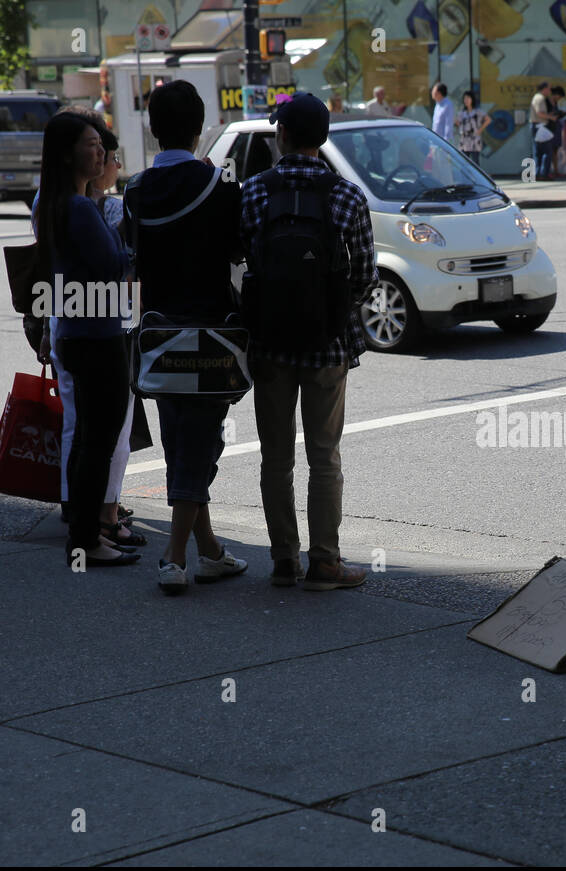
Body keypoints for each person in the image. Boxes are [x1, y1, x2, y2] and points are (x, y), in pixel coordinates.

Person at [239, 93, 379, 590]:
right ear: (322, 139)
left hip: (270, 346)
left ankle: (282, 560)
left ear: (281, 136)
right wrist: (332, 311)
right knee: (325, 456)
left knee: (275, 458)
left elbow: (239, 267)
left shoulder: (253, 191)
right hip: (328, 346)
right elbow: (365, 274)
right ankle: (325, 562)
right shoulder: (347, 196)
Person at [123, 79, 247, 595]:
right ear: (199, 128)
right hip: (213, 337)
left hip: (158, 337)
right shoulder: (220, 186)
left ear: (153, 130)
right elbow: (240, 256)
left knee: (182, 442)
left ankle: (211, 552)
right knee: (202, 443)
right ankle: (174, 558)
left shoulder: (133, 192)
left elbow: (132, 262)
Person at [33, 111, 137, 568]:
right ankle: (89, 538)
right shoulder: (78, 207)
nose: (101, 153)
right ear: (66, 153)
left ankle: (83, 534)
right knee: (99, 439)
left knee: (84, 440)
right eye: (92, 144)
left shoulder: (48, 202)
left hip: (72, 331)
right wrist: (131, 245)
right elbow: (113, 266)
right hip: (98, 335)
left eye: (102, 146)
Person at [456, 90, 491, 166]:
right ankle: (464, 178)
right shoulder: (462, 113)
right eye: (465, 98)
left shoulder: (477, 111)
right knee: (463, 163)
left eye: (468, 98)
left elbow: (488, 119)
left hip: (474, 140)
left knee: (475, 163)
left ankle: (475, 178)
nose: (466, 100)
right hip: (464, 140)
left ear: (472, 99)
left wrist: (480, 130)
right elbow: (457, 122)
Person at [530, 81, 554, 180]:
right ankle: (543, 173)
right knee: (546, 151)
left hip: (537, 126)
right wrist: (551, 117)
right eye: (548, 88)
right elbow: (540, 113)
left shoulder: (540, 97)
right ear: (544, 89)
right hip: (540, 126)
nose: (550, 91)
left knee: (538, 151)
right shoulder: (540, 98)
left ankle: (538, 173)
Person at [548, 85, 566, 178]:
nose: (559, 99)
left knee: (555, 150)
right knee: (549, 150)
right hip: (550, 129)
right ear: (555, 95)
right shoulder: (547, 102)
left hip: (556, 128)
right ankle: (548, 171)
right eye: (559, 97)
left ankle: (555, 170)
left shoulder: (554, 104)